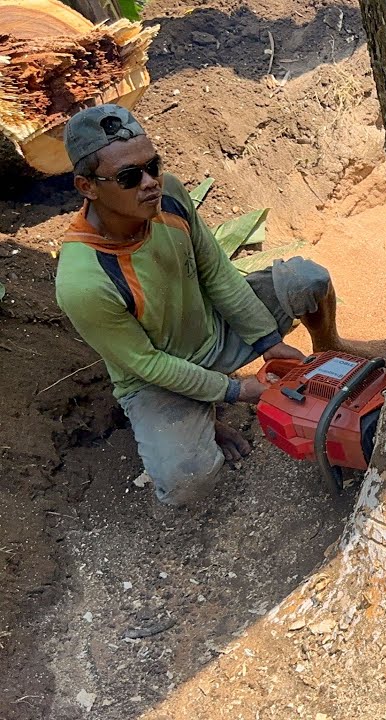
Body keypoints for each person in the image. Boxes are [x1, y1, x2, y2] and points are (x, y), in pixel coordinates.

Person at [55, 104, 369, 507]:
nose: (150, 182)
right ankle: (201, 415)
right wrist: (236, 390)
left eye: (154, 165)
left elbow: (217, 273)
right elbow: (147, 364)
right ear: (87, 187)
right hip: (156, 379)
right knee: (187, 484)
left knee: (307, 280)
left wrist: (266, 342)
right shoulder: (84, 281)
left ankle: (329, 348)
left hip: (215, 331)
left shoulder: (168, 196)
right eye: (130, 177)